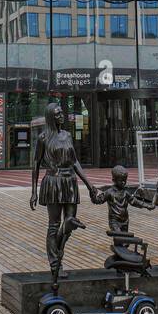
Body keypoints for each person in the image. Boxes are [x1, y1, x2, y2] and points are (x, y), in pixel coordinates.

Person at [30, 100, 98, 286]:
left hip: (69, 182)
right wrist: (34, 191)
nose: (62, 116)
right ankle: (55, 264)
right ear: (51, 117)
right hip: (53, 182)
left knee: (69, 224)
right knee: (54, 225)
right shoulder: (44, 138)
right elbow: (36, 164)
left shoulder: (67, 135)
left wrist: (90, 185)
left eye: (62, 113)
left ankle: (58, 255)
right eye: (58, 113)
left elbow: (75, 162)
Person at [93, 164, 150, 238]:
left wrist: (147, 205)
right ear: (114, 180)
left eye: (125, 180)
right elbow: (97, 200)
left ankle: (122, 247)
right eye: (121, 180)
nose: (123, 182)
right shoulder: (109, 192)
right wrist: (93, 195)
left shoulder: (125, 193)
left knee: (125, 241)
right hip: (114, 221)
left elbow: (134, 201)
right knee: (119, 237)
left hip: (125, 220)